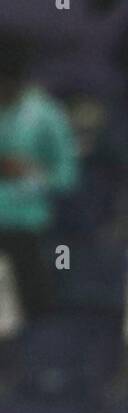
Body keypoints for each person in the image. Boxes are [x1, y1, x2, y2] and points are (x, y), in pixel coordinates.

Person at [0, 31, 78, 321]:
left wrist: (29, 173)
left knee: (29, 313)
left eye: (8, 87)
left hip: (26, 232)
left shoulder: (46, 115)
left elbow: (67, 176)